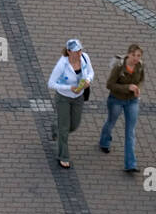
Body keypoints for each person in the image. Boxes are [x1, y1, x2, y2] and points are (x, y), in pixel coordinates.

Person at [47, 38, 93, 168]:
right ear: (68, 51)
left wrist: (88, 80)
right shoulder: (62, 65)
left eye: (79, 50)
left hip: (79, 97)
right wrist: (69, 88)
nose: (78, 54)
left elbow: (91, 72)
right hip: (63, 98)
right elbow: (51, 83)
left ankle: (56, 127)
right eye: (75, 51)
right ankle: (63, 156)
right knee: (64, 129)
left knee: (74, 125)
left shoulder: (85, 58)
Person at [99, 43, 144, 172]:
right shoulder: (119, 66)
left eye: (138, 56)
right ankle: (104, 141)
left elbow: (141, 80)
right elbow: (109, 84)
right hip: (116, 100)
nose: (136, 58)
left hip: (132, 101)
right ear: (128, 54)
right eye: (133, 55)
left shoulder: (140, 66)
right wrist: (127, 87)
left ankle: (131, 164)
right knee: (111, 122)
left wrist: (138, 89)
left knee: (130, 132)